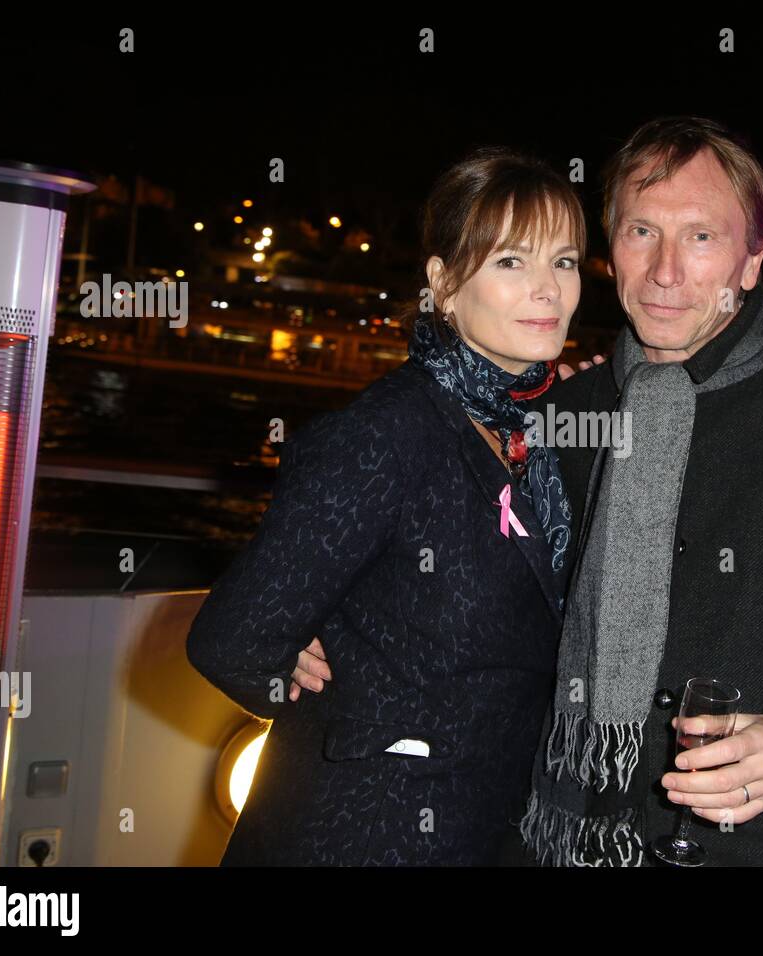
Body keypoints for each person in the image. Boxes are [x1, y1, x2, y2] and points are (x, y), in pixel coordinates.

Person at [296, 116, 763, 866]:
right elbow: (463, 580)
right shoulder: (562, 413)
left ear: (753, 259)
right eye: (640, 232)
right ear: (610, 247)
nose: (664, 271)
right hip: (558, 839)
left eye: (701, 238)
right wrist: (329, 612)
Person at [186, 146, 585, 865]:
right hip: (368, 832)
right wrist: (354, 697)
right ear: (444, 284)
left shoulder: (532, 433)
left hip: (485, 827)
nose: (548, 290)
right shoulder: (387, 433)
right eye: (510, 262)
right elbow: (232, 641)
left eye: (564, 261)